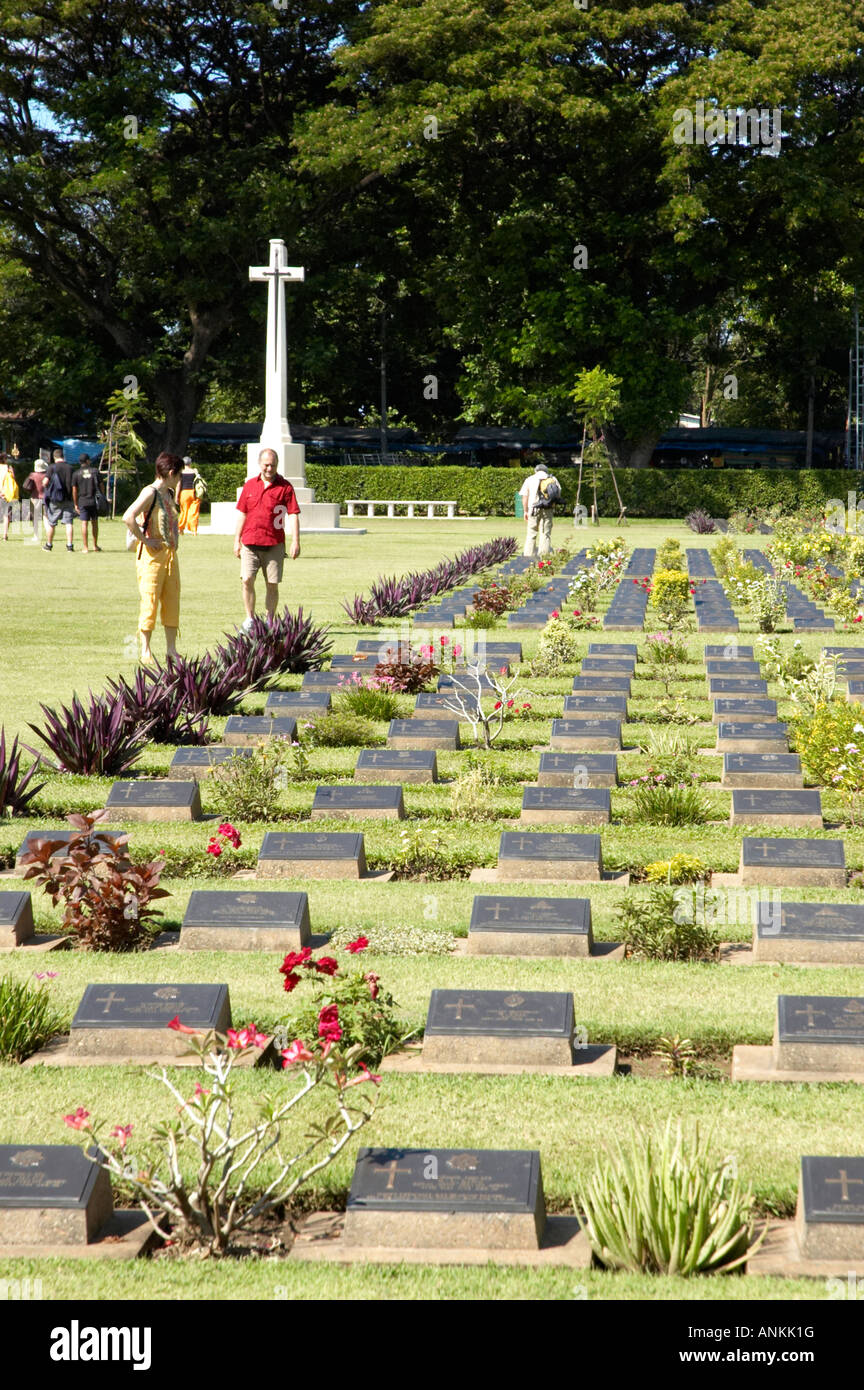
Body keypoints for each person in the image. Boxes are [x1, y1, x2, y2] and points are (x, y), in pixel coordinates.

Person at [122, 453, 183, 664]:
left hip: (170, 556)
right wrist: (145, 541)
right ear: (172, 473)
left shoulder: (169, 493)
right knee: (150, 600)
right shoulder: (150, 492)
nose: (179, 478)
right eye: (179, 474)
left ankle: (171, 649)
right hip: (151, 557)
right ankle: (145, 649)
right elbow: (128, 517)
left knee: (172, 600)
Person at [234, 447, 300, 631]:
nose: (269, 469)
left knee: (272, 584)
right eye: (266, 465)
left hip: (274, 544)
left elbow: (293, 514)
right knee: (247, 579)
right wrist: (236, 540)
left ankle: (270, 621)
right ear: (259, 464)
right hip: (250, 542)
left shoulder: (285, 487)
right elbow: (242, 514)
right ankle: (250, 619)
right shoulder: (249, 485)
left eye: (273, 465)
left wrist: (295, 541)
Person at [519, 457, 561, 557]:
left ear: (536, 470)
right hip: (548, 509)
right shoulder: (553, 479)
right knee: (545, 534)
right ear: (546, 471)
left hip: (533, 509)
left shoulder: (530, 479)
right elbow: (558, 494)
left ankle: (528, 556)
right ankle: (544, 556)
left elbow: (525, 497)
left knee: (531, 533)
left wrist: (525, 511)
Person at [42, 448, 75, 552]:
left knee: (52, 523)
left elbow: (45, 482)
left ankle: (49, 545)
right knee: (69, 523)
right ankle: (69, 546)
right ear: (63, 456)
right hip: (68, 498)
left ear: (54, 457)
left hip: (55, 499)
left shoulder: (52, 467)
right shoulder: (70, 468)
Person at [71, 453, 102, 553]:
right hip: (94, 500)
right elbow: (101, 485)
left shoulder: (76, 474)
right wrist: (102, 497)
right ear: (88, 461)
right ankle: (95, 545)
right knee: (95, 523)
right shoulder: (95, 471)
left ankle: (85, 547)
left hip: (82, 501)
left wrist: (75, 503)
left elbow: (74, 490)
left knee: (84, 523)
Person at [177, 455, 206, 534]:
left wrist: (176, 496)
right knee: (194, 511)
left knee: (184, 511)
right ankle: (194, 530)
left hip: (184, 493)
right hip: (194, 493)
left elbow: (179, 485)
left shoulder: (181, 472)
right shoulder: (194, 471)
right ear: (190, 463)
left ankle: (181, 528)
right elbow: (198, 481)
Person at [21, 459, 48, 540]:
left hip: (35, 498)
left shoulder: (32, 475)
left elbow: (26, 486)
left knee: (35, 518)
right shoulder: (47, 475)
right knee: (46, 517)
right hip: (46, 498)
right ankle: (48, 533)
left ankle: (36, 536)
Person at [0, 454, 17, 541]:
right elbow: (13, 480)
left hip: (1, 493)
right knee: (6, 515)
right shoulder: (8, 468)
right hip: (6, 494)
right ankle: (4, 535)